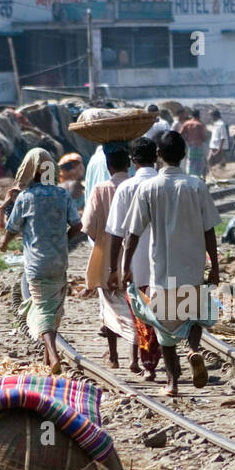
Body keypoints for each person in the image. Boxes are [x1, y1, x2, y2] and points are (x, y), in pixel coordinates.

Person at [123, 131, 220, 398]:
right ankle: (194, 349)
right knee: (195, 315)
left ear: (158, 156)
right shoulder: (196, 186)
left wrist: (125, 267)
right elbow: (209, 231)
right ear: (184, 155)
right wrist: (216, 267)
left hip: (163, 271)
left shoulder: (148, 188)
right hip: (192, 268)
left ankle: (172, 383)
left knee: (165, 329)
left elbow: (132, 234)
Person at [0, 148, 82, 375]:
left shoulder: (26, 197)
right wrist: (63, 241)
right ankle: (47, 357)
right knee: (54, 307)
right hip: (59, 261)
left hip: (36, 264)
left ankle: (53, 355)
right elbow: (77, 225)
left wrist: (3, 244)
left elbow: (11, 228)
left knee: (42, 307)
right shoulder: (62, 194)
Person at [106, 137, 161, 379]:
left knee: (142, 316)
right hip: (165, 262)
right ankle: (167, 360)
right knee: (166, 314)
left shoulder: (125, 188)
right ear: (156, 157)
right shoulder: (165, 185)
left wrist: (114, 268)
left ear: (132, 160)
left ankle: (149, 364)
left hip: (136, 265)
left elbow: (117, 234)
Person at [82, 144, 131, 366]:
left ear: (109, 166)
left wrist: (100, 238)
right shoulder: (137, 187)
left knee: (109, 305)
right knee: (135, 304)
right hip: (135, 253)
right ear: (128, 163)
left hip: (106, 253)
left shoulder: (100, 189)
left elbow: (89, 225)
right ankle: (135, 357)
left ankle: (113, 356)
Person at [178, 108, 208, 177]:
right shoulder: (200, 124)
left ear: (192, 115)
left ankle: (190, 177)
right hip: (199, 146)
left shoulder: (187, 123)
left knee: (190, 162)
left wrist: (186, 138)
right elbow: (204, 137)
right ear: (198, 116)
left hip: (190, 146)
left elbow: (180, 134)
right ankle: (198, 178)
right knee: (199, 163)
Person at [207, 108, 230, 175]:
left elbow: (223, 138)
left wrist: (219, 150)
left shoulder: (221, 124)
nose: (210, 117)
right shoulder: (216, 124)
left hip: (218, 148)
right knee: (210, 160)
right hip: (213, 147)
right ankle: (212, 175)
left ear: (214, 116)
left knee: (219, 164)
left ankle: (219, 177)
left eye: (211, 115)